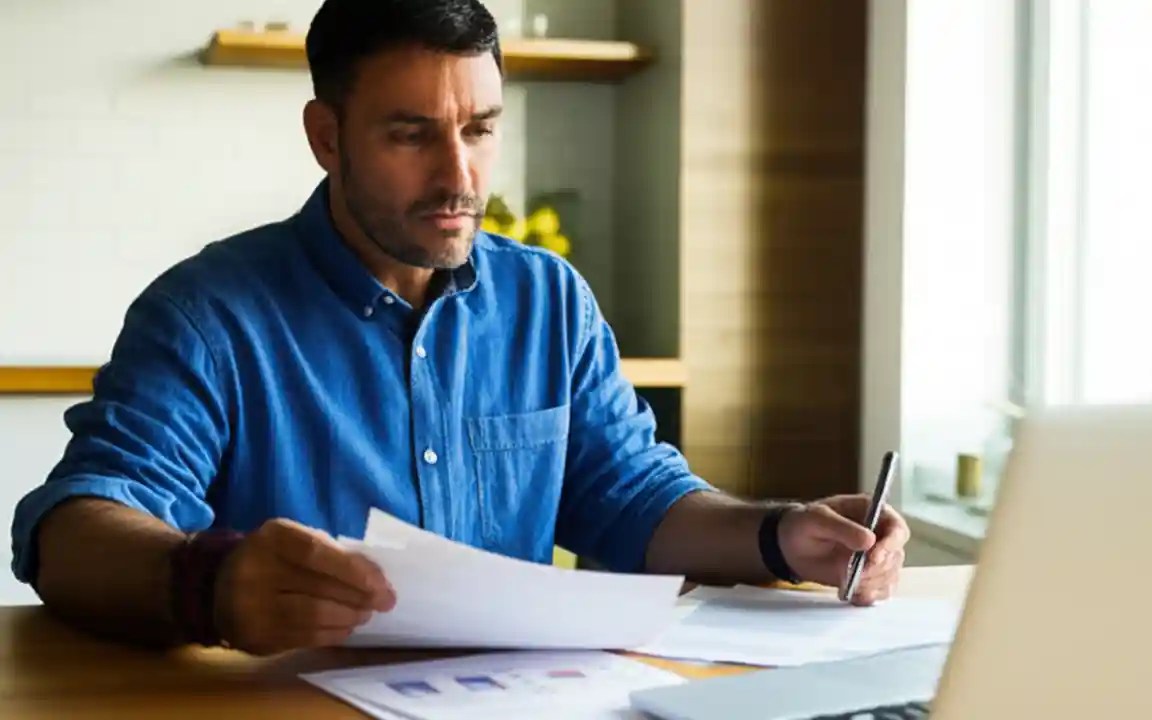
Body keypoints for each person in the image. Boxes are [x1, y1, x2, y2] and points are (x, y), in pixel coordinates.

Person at [9, 0, 909, 656]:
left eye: (479, 129)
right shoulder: (208, 316)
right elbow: (72, 531)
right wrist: (210, 582)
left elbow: (631, 498)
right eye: (410, 135)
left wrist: (782, 535)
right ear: (327, 136)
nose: (459, 176)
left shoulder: (548, 300)